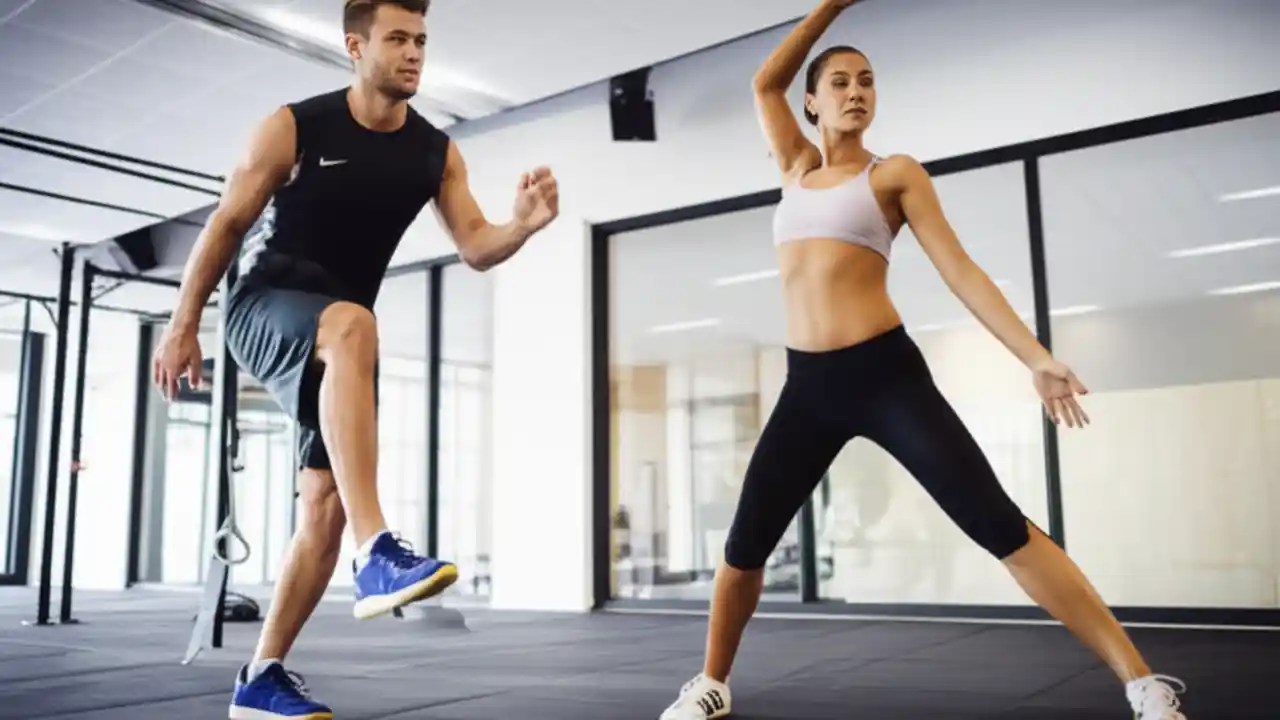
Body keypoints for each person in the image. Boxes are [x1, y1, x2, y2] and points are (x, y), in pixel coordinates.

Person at [658, 1, 1188, 719]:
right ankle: (712, 685)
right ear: (811, 101)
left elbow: (962, 270)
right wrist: (830, 8)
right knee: (746, 542)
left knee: (999, 525)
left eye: (867, 81)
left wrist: (1035, 357)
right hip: (807, 385)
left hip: (885, 377)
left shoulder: (893, 175)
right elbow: (762, 83)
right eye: (839, 81)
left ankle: (1142, 682)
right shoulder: (794, 166)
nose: (855, 92)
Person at [151, 1, 559, 718]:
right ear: (354, 45)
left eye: (422, 41)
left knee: (324, 506)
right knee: (353, 325)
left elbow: (475, 246)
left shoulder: (436, 151)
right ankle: (379, 553)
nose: (414, 52)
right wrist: (184, 324)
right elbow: (226, 223)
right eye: (398, 38)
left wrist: (520, 226)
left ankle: (260, 678)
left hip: (340, 340)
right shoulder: (295, 126)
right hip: (264, 306)